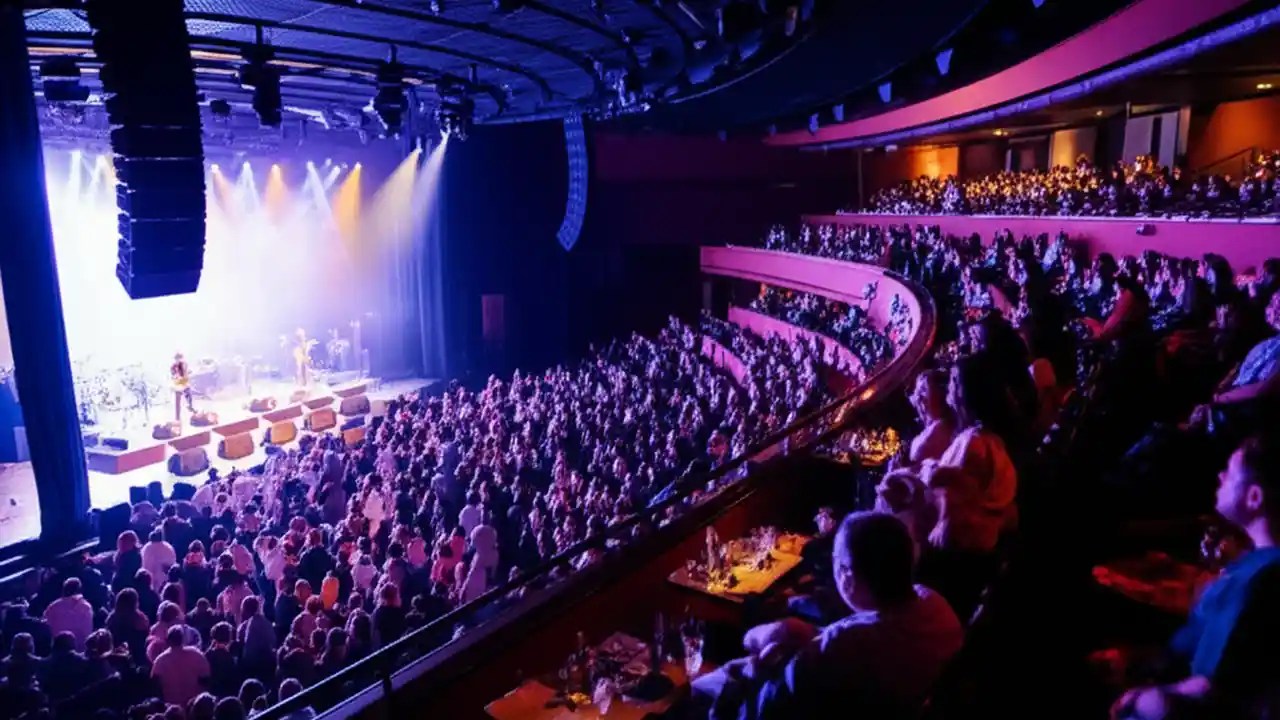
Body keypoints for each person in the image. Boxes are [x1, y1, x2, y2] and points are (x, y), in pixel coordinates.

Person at [690, 512, 963, 719]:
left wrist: (763, 662)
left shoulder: (839, 649)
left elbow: (756, 712)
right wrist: (807, 635)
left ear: (847, 576)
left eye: (836, 559)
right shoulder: (934, 603)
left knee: (691, 694)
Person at [1112, 433, 1280, 719]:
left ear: (1254, 497)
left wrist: (1144, 700)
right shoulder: (1256, 563)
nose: (1220, 475)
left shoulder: (1257, 580)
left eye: (1230, 472)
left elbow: (1209, 687)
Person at [151, 624, 211, 707]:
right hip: (193, 704)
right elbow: (206, 678)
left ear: (168, 640)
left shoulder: (161, 660)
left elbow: (155, 684)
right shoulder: (196, 655)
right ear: (183, 639)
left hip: (171, 705)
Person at [42, 577, 94, 651]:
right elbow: (88, 631)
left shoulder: (53, 606)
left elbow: (45, 625)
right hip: (79, 651)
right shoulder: (85, 607)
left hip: (57, 649)